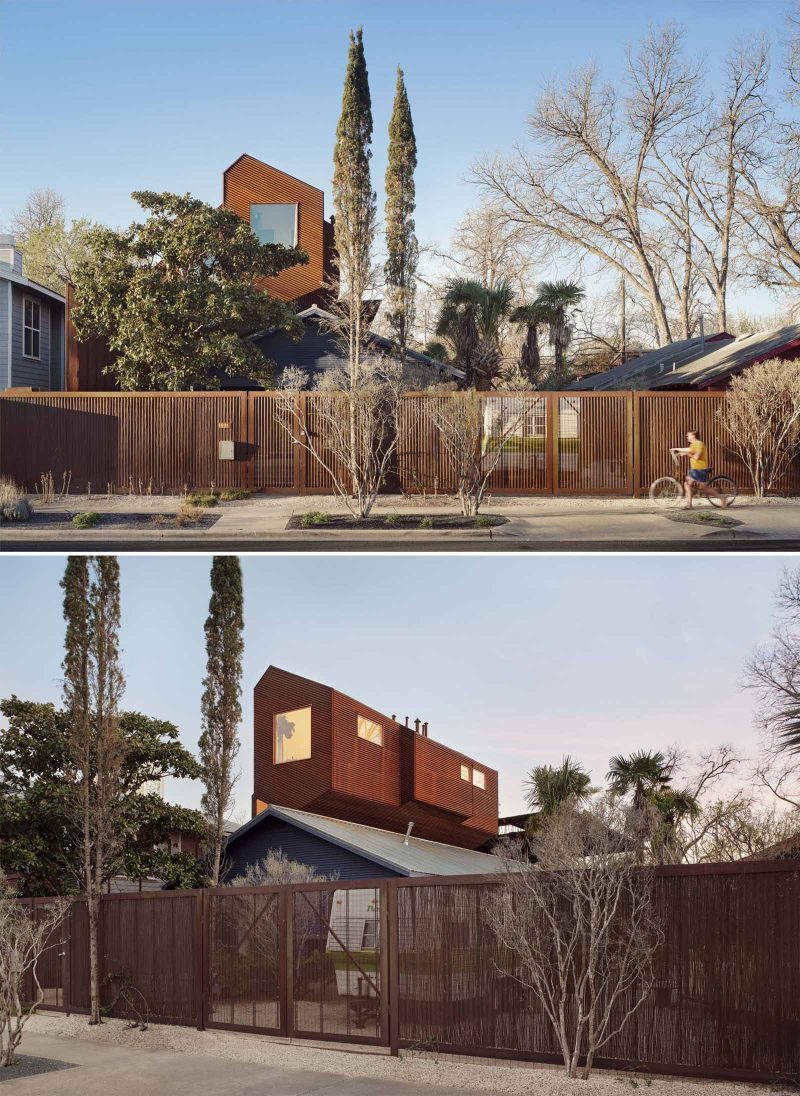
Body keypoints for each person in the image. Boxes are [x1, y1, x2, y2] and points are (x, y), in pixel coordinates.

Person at [670, 430, 729, 509]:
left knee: (704, 488)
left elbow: (696, 457)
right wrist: (677, 449)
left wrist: (686, 454)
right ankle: (689, 505)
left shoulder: (699, 444)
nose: (687, 437)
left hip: (700, 469)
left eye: (688, 435)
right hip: (695, 469)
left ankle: (722, 498)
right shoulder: (693, 444)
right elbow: (688, 449)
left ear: (693, 436)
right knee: (687, 484)